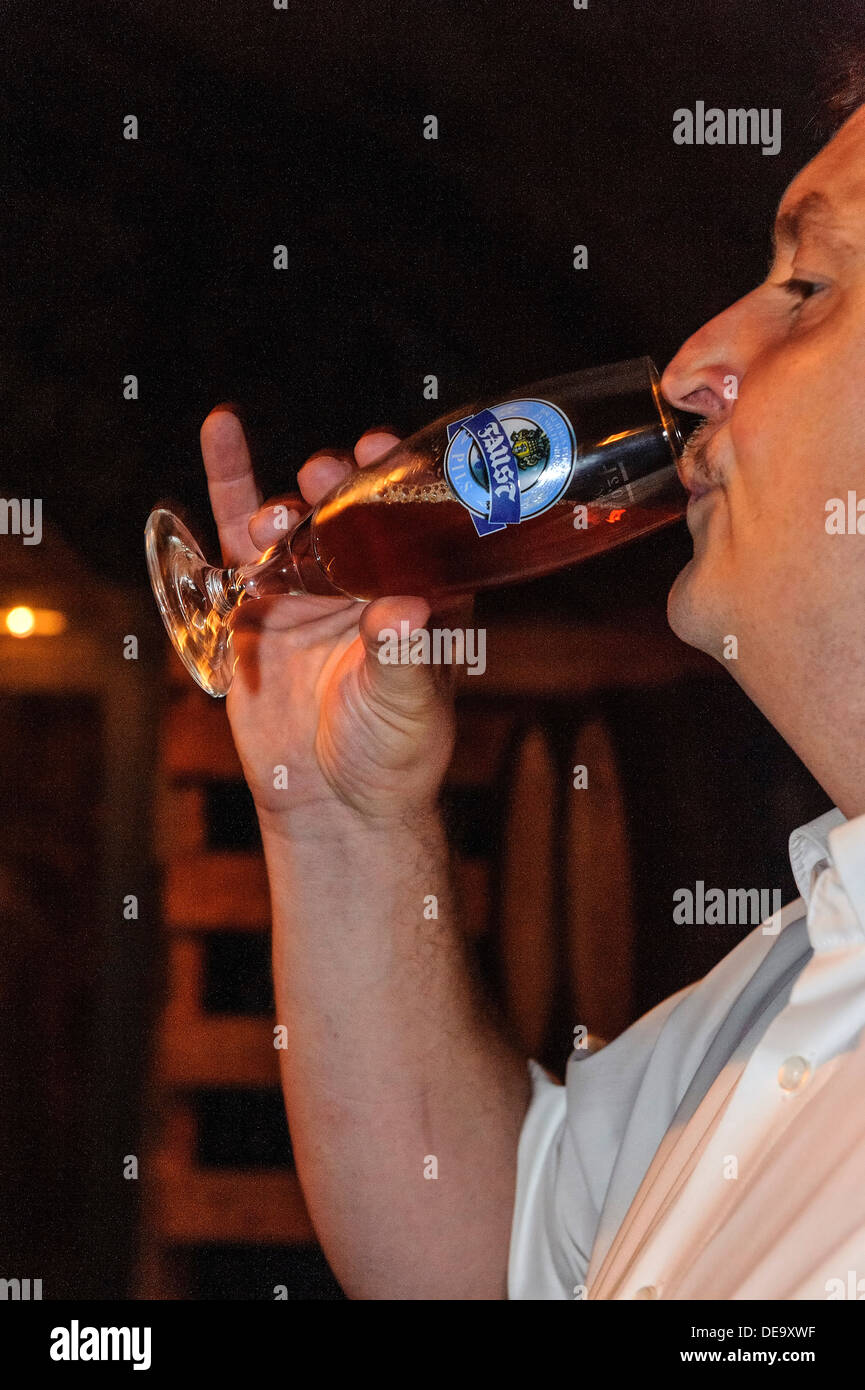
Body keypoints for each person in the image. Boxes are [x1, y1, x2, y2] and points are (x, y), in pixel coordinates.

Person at [197, 84, 865, 1300]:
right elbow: (488, 1258)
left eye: (808, 289)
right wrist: (340, 821)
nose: (701, 361)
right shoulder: (809, 961)